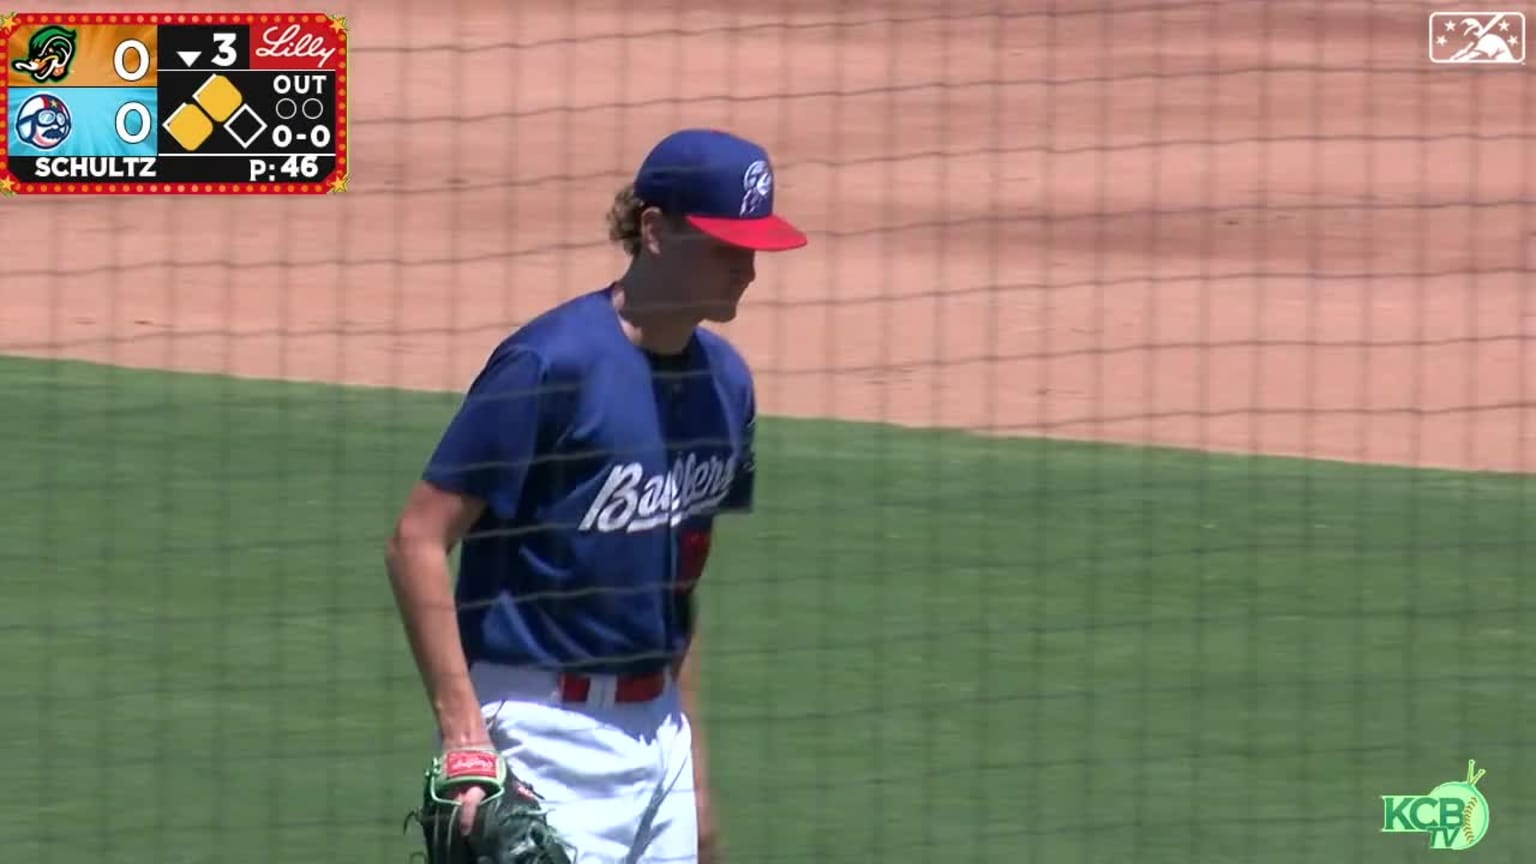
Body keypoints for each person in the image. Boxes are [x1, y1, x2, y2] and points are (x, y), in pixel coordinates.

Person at [385, 127, 808, 863]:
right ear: (653, 230)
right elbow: (416, 539)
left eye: (753, 247)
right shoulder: (548, 364)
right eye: (723, 244)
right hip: (544, 735)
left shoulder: (727, 385)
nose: (747, 268)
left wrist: (696, 776)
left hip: (661, 737)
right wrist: (465, 736)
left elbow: (675, 589)